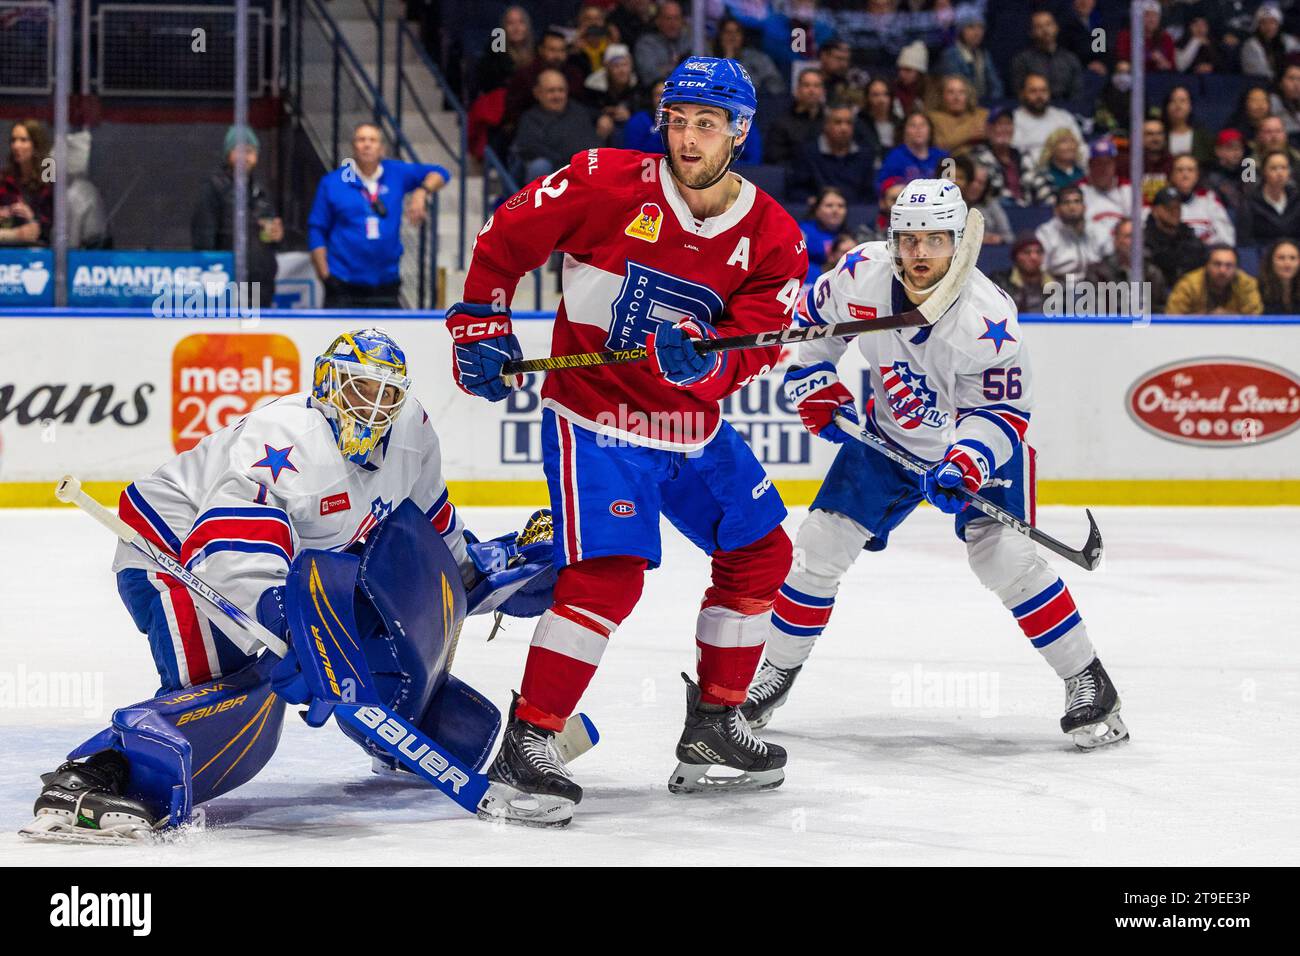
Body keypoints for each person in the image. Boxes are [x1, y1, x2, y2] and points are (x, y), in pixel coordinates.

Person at [446, 57, 806, 826]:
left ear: (739, 132)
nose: (686, 136)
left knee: (762, 553)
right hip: (594, 416)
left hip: (687, 426)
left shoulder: (775, 235)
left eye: (706, 124)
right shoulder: (603, 181)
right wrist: (480, 320)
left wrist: (709, 361)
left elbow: (759, 343)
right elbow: (504, 234)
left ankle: (715, 726)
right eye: (677, 119)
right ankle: (531, 741)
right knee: (609, 574)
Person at [17, 329, 536, 841]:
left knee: (381, 618)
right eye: (360, 389)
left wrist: (476, 574)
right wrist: (280, 626)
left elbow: (426, 522)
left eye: (388, 395)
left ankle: (404, 735)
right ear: (328, 385)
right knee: (242, 688)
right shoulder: (288, 436)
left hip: (289, 559)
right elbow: (232, 541)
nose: (375, 409)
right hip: (177, 555)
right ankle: (99, 777)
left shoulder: (412, 430)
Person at [743, 178, 1128, 750]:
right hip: (888, 440)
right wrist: (814, 380)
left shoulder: (987, 317)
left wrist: (967, 459)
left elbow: (1002, 411)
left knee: (1005, 559)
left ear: (958, 243)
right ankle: (774, 673)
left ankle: (1090, 683)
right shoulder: (861, 274)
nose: (919, 254)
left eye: (934, 240)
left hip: (975, 452)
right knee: (819, 547)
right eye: (909, 239)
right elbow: (810, 329)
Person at [308, 123, 450, 309]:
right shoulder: (334, 182)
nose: (367, 145)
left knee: (384, 338)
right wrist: (325, 275)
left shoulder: (395, 172)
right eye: (361, 140)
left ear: (382, 148)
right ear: (353, 147)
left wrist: (421, 192)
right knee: (340, 338)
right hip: (343, 282)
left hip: (386, 282)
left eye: (372, 140)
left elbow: (441, 173)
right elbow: (316, 230)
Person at [191, 125, 282, 308]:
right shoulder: (213, 189)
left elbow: (270, 240)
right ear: (228, 153)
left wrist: (277, 237)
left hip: (260, 285)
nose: (245, 157)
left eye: (250, 151)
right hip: (226, 285)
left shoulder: (260, 191)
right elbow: (203, 241)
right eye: (239, 150)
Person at [511, 68, 608, 182]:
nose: (557, 96)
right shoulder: (530, 119)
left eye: (561, 90)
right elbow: (531, 148)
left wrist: (603, 118)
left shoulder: (578, 109)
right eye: (551, 91)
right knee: (539, 166)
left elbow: (598, 115)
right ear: (537, 93)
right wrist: (569, 163)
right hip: (560, 174)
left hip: (593, 168)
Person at [789, 103, 876, 203]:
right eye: (838, 122)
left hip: (855, 212)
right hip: (820, 213)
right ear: (826, 126)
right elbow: (795, 190)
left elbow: (869, 194)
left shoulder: (864, 155)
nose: (844, 128)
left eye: (849, 123)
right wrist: (812, 201)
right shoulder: (808, 153)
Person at [1085, 218, 1168, 313]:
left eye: (1138, 237)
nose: (1134, 242)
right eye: (1129, 236)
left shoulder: (1153, 273)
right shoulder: (1098, 273)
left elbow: (1162, 309)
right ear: (1116, 241)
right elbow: (1094, 309)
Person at [1011, 9, 1084, 106]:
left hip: (1066, 111)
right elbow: (1019, 92)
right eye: (1039, 26)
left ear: (1056, 27)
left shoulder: (1070, 59)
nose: (1045, 30)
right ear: (1031, 32)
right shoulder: (1022, 60)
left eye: (1048, 24)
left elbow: (1077, 93)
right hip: (1033, 111)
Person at [1165, 245, 1263, 315]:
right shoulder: (1189, 284)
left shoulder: (1247, 284)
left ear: (1236, 268)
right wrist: (1208, 319)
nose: (1222, 270)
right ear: (1207, 265)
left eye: (1229, 265)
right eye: (1217, 264)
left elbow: (1254, 318)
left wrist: (1229, 316)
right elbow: (1173, 317)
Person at [1145, 186, 1208, 291]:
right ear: (1155, 211)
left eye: (1178, 207)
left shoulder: (1191, 238)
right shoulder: (1145, 240)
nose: (1175, 212)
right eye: (1169, 208)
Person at [0, 119, 52, 246]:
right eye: (14, 140)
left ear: (36, 144)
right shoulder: (4, 179)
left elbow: (53, 223)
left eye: (23, 140)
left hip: (41, 252)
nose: (16, 146)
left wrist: (32, 217)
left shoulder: (48, 178)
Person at [1034, 184, 1105, 277]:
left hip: (1095, 284)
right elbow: (1040, 269)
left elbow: (1111, 260)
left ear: (1084, 207)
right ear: (1056, 209)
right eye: (1066, 202)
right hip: (1058, 284)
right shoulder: (1045, 233)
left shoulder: (1098, 229)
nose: (1072, 207)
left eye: (1077, 201)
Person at [936, 9, 1004, 104]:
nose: (977, 32)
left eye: (980, 27)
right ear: (961, 31)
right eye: (971, 27)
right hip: (962, 106)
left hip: (985, 105)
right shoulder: (951, 55)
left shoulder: (984, 54)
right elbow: (957, 88)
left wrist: (993, 103)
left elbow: (996, 85)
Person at [1167, 154, 1235, 247]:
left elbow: (1227, 238)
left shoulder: (1209, 198)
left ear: (1197, 175)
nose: (1185, 175)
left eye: (1190, 170)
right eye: (1180, 170)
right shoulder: (1161, 201)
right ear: (1172, 175)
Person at [1012, 73, 1084, 160]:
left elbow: (1081, 147)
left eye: (1043, 91)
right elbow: (1015, 155)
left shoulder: (1064, 117)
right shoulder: (1013, 120)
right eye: (1033, 91)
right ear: (1022, 94)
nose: (1039, 96)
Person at [875, 110, 947, 193]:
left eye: (923, 125)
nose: (918, 129)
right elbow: (883, 186)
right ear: (904, 131)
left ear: (930, 130)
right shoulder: (895, 157)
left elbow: (952, 185)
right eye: (913, 125)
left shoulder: (943, 156)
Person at [1238, 150, 1300, 244]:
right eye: (1273, 168)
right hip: (1262, 255)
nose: (1280, 173)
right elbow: (1245, 241)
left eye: (1284, 168)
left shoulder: (1296, 199)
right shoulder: (1250, 202)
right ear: (1264, 172)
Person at [1078, 136, 1129, 253]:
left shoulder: (1128, 189)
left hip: (1123, 256)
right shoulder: (1078, 190)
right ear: (1090, 165)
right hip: (1089, 255)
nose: (1103, 169)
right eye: (1098, 163)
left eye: (1107, 163)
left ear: (1114, 164)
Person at [765, 67, 825, 164]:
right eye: (806, 85)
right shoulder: (781, 125)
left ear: (822, 91)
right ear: (797, 90)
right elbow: (775, 160)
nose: (812, 90)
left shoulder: (830, 123)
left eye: (816, 86)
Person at [714, 16, 783, 96]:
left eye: (737, 32)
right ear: (720, 36)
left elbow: (777, 85)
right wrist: (728, 58)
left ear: (742, 36)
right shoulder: (711, 60)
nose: (732, 37)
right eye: (728, 32)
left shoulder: (757, 58)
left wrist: (760, 92)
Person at [992, 232, 1059, 313]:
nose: (1034, 257)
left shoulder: (1056, 284)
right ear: (1016, 256)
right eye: (1027, 252)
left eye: (1038, 252)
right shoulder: (1000, 282)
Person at [954, 155, 1012, 244]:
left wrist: (998, 239)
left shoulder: (991, 205)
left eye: (981, 183)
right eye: (972, 180)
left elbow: (1009, 237)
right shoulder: (952, 205)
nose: (975, 186)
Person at [633, 0, 691, 84]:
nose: (673, 24)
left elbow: (711, 69)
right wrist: (683, 68)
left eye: (676, 18)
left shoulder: (691, 40)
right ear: (658, 21)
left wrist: (665, 69)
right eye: (668, 18)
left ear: (682, 20)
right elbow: (649, 76)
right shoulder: (646, 44)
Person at [927, 74, 988, 153]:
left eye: (961, 92)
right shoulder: (932, 118)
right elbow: (939, 146)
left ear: (968, 95)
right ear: (942, 96)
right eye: (951, 92)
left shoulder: (981, 114)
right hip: (949, 162)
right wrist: (969, 133)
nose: (956, 97)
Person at [1240, 3, 1300, 82]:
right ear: (1258, 25)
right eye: (1264, 23)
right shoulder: (1251, 46)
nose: (1268, 27)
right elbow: (1257, 74)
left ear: (1278, 24)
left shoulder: (1289, 41)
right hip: (1264, 84)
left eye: (1272, 22)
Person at [799, 186, 849, 280]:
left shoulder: (850, 237)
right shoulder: (803, 233)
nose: (836, 210)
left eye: (841, 206)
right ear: (817, 210)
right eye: (829, 205)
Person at [1162, 85, 1214, 167]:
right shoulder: (1160, 135)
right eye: (1173, 101)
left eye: (1182, 101)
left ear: (1190, 106)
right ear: (1167, 106)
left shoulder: (1203, 136)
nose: (1178, 105)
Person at [1204, 129, 1249, 216]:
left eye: (1239, 147)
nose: (1236, 151)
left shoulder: (1248, 173)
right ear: (1218, 150)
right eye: (1230, 147)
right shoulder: (1209, 178)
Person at [1258, 238, 1300, 313]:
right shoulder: (1256, 289)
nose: (1287, 264)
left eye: (1293, 258)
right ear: (1271, 262)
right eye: (1281, 258)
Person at [1271, 64, 1300, 137]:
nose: (1296, 84)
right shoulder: (1273, 101)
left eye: (1299, 79)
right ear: (1280, 83)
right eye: (1291, 78)